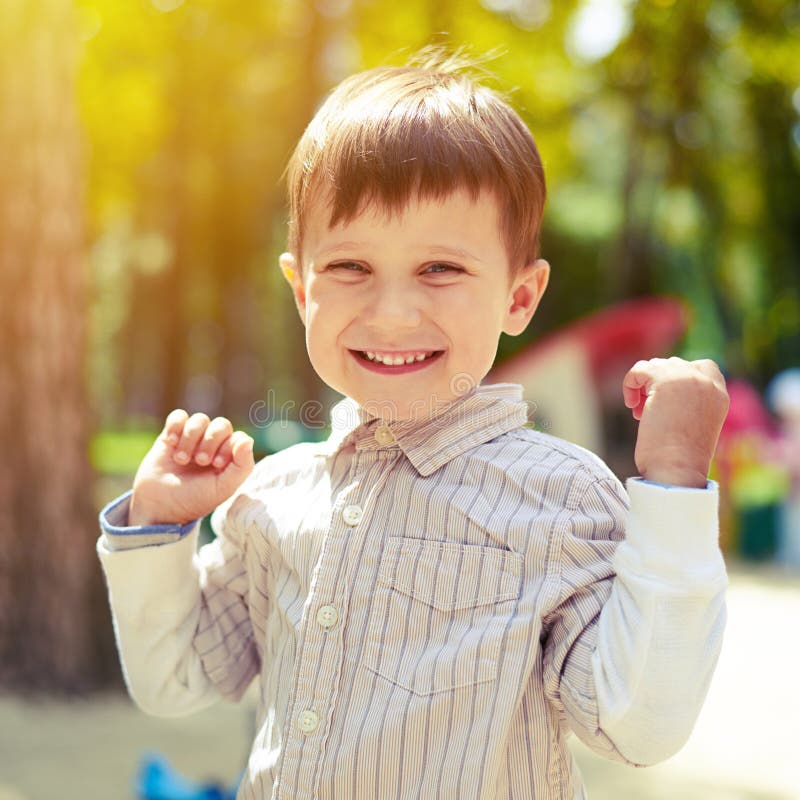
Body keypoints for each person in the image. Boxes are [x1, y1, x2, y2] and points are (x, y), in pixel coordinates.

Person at [97, 52, 730, 800]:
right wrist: (157, 529)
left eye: (440, 270)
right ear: (301, 289)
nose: (392, 312)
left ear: (519, 298)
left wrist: (675, 486)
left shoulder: (561, 497)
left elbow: (641, 727)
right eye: (350, 268)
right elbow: (178, 681)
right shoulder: (273, 493)